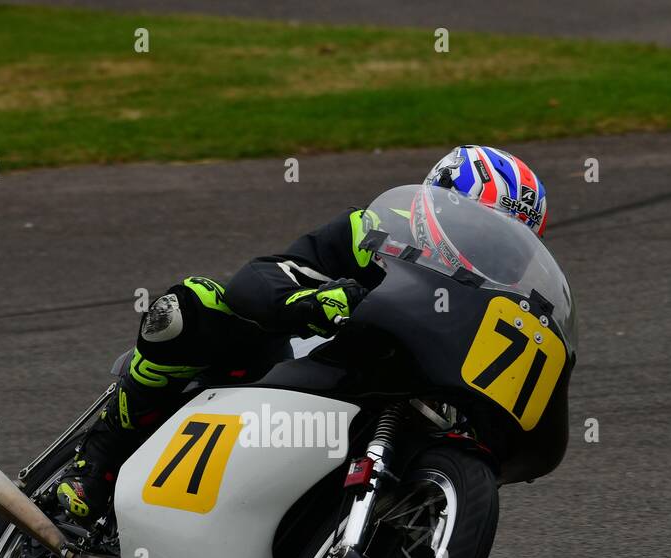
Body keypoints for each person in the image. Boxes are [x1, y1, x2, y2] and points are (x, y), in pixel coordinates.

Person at [52, 145, 549, 522]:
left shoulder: (506, 304)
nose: (495, 251)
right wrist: (314, 302)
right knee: (189, 308)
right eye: (483, 229)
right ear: (440, 205)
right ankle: (98, 460)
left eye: (511, 243)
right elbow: (264, 276)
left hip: (393, 403)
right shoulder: (376, 229)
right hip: (295, 363)